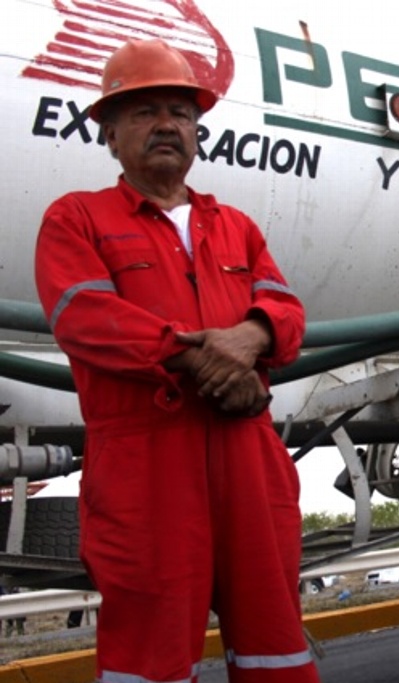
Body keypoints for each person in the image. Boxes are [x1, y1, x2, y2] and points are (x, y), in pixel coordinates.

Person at [33, 39, 320, 682]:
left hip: (250, 455)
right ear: (108, 134)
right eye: (143, 112)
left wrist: (248, 340)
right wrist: (203, 359)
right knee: (149, 660)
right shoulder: (76, 218)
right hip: (145, 468)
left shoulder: (236, 227)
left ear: (197, 132)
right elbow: (85, 317)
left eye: (180, 112)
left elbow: (287, 315)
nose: (166, 124)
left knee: (277, 644)